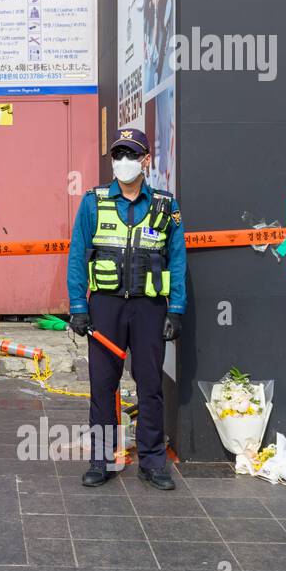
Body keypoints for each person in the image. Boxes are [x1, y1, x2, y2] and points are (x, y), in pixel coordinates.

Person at [66, 128, 185, 490]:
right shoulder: (93, 201)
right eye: (118, 155)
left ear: (146, 160)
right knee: (103, 385)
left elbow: (177, 259)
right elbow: (76, 255)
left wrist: (176, 308)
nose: (123, 162)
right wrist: (77, 305)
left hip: (149, 308)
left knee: (150, 385)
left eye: (131, 155)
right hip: (105, 307)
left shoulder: (166, 206)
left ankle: (152, 462)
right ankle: (101, 461)